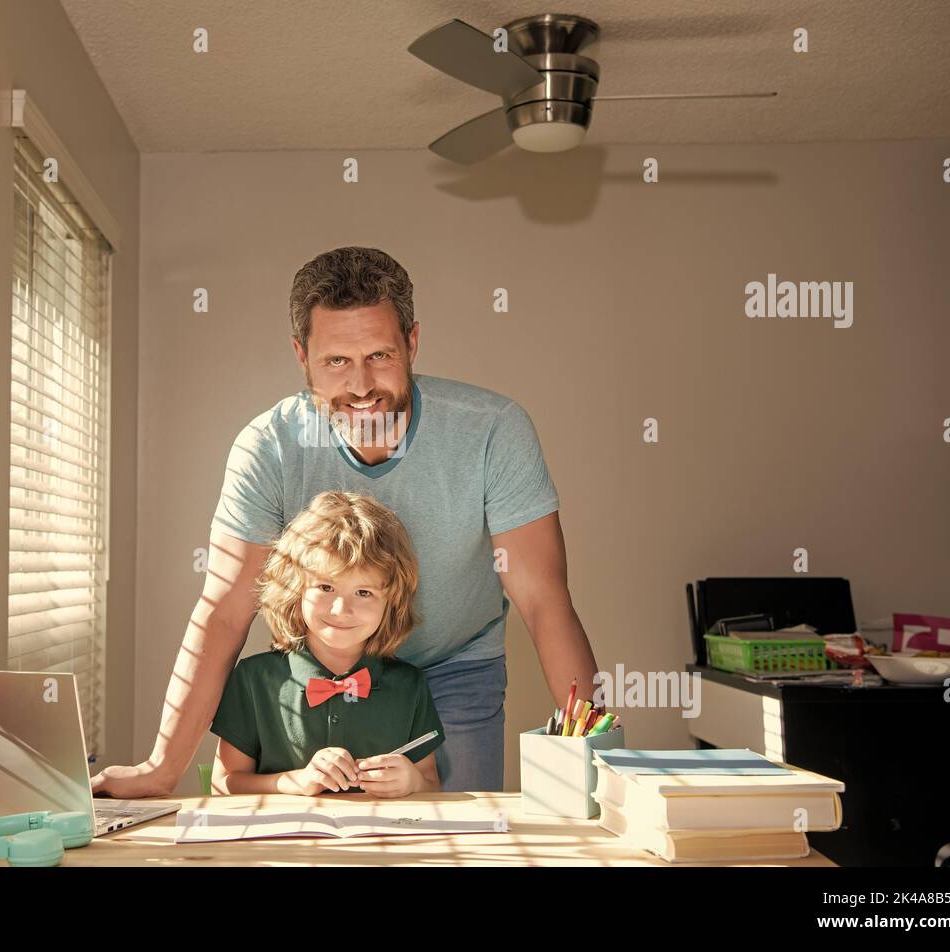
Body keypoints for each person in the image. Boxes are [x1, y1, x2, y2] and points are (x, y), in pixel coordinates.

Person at [92, 245, 598, 798]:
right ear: (301, 357)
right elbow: (225, 607)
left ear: (412, 342)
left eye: (380, 355)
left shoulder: (494, 431)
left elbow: (544, 598)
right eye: (336, 361)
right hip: (322, 668)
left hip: (454, 667)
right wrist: (162, 769)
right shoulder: (270, 447)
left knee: (459, 835)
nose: (360, 386)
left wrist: (598, 755)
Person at [209, 490, 443, 797]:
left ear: (392, 602)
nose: (341, 610)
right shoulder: (253, 680)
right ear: (295, 587)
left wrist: (412, 782)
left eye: (364, 592)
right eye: (326, 586)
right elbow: (222, 785)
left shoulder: (410, 686)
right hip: (283, 842)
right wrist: (294, 782)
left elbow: (432, 787)